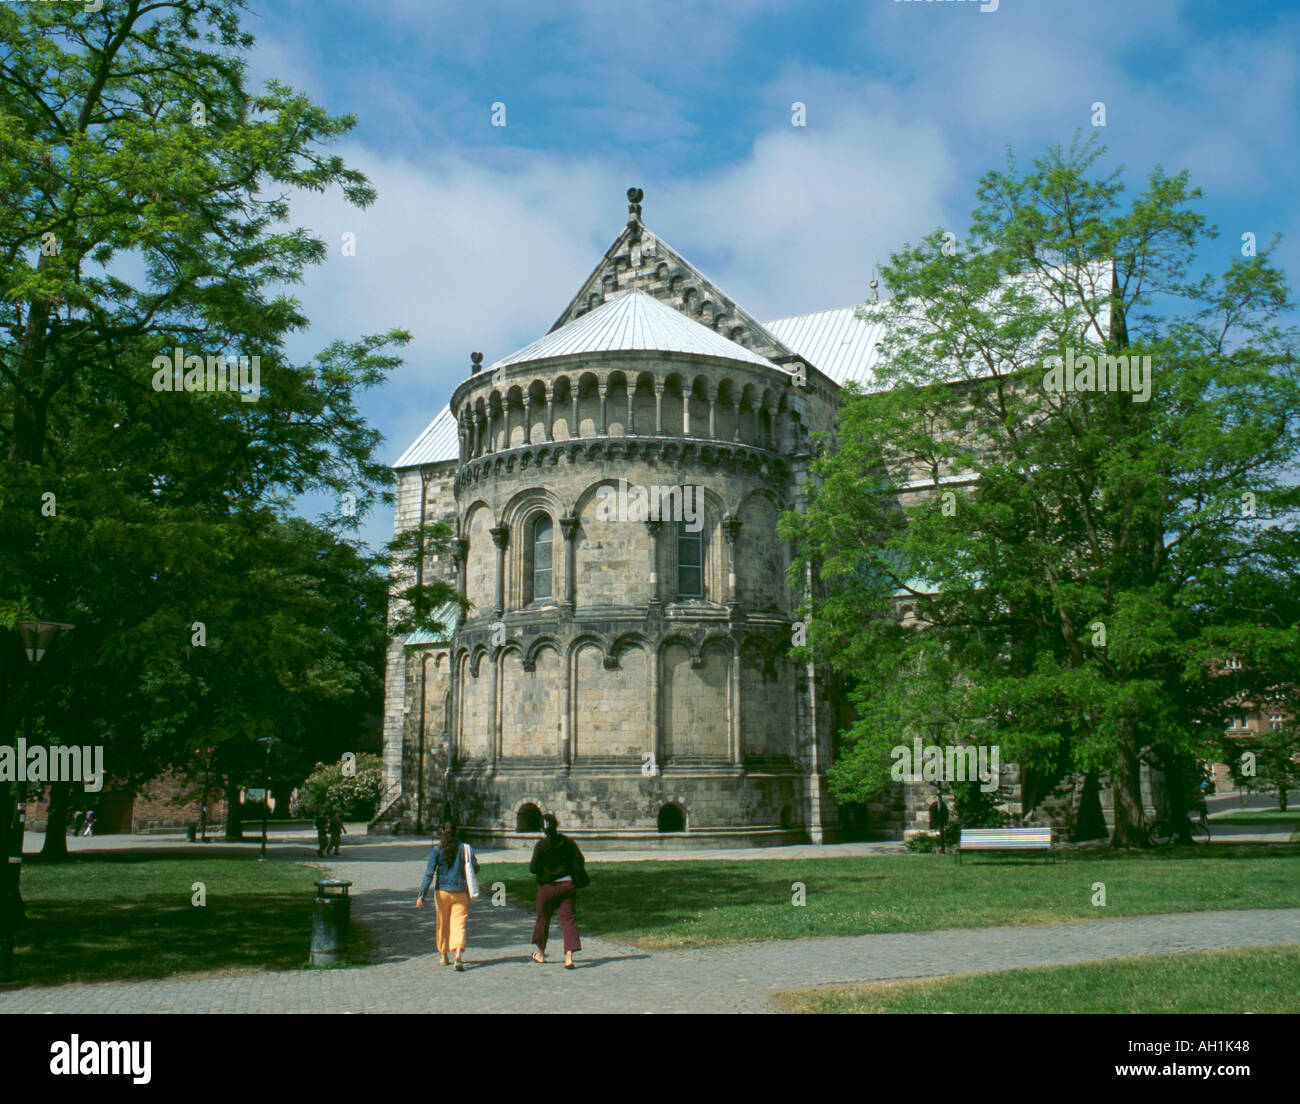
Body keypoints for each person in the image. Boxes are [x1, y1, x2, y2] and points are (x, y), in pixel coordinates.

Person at [415, 819, 480, 970]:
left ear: (442, 832)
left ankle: (444, 955)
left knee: (442, 923)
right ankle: (458, 954)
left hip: (442, 892)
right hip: (461, 892)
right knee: (459, 923)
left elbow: (429, 873)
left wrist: (421, 895)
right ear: (457, 831)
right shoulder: (465, 848)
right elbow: (475, 868)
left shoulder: (437, 850)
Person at [529, 813, 585, 969]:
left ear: (542, 829)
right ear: (556, 825)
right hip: (567, 885)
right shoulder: (568, 842)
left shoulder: (541, 846)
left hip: (547, 887)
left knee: (543, 919)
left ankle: (540, 953)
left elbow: (533, 868)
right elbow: (579, 859)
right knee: (569, 919)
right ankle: (569, 957)